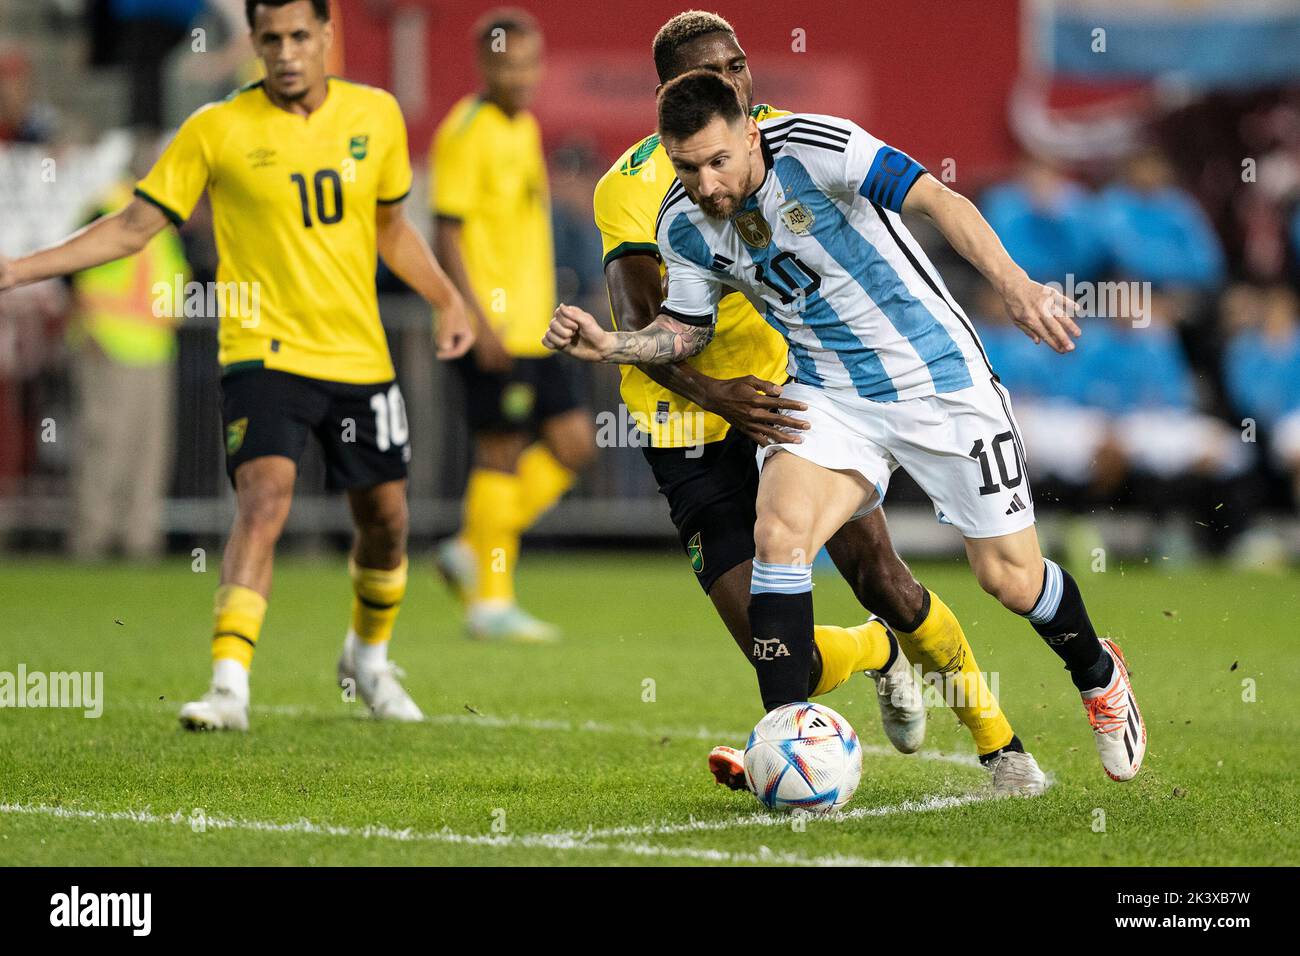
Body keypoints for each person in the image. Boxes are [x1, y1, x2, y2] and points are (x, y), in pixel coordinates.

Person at [547, 67, 1147, 783]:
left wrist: (1015, 286)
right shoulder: (681, 222)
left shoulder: (816, 147)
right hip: (830, 395)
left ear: (747, 130)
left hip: (939, 384)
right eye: (686, 167)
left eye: (717, 161)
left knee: (1009, 579)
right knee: (780, 532)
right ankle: (783, 740)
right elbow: (684, 329)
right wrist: (613, 343)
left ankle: (1097, 672)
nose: (705, 184)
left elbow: (938, 199)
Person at [0, 0, 473, 731]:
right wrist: (20, 268)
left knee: (386, 523)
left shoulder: (374, 116)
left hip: (357, 355)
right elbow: (132, 226)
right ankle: (229, 686)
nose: (285, 52)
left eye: (299, 37)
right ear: (253, 43)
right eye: (270, 38)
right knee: (264, 500)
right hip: (262, 353)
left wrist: (447, 299)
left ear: (325, 37)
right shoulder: (215, 128)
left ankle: (368, 660)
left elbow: (391, 229)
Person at [429, 8, 595, 643]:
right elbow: (447, 231)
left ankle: (473, 545)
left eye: (530, 63)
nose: (522, 75)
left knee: (575, 446)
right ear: (485, 65)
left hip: (537, 327)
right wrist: (475, 317)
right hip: (494, 327)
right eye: (508, 63)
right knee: (498, 454)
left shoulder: (523, 126)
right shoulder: (464, 132)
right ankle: (490, 600)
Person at [67, 144, 191, 561]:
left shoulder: (162, 219)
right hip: (109, 342)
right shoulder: (107, 207)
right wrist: (88, 327)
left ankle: (140, 538)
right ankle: (92, 537)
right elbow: (74, 270)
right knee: (107, 444)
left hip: (154, 347)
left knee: (149, 448)